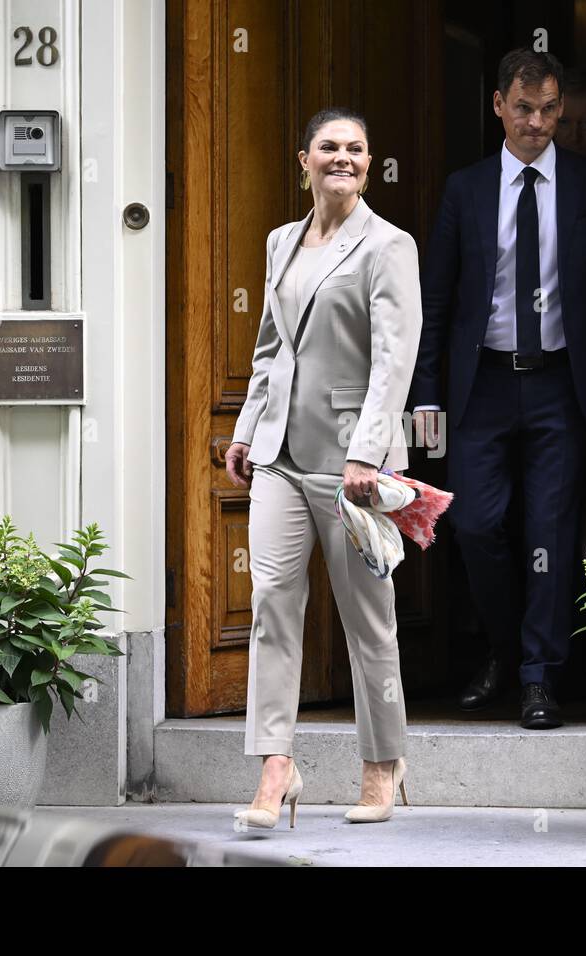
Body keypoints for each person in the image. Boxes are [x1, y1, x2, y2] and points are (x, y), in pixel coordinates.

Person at [410, 49, 586, 729]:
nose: (538, 123)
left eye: (550, 109)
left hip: (561, 388)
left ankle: (539, 676)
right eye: (525, 108)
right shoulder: (465, 190)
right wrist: (425, 401)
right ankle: (508, 650)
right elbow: (437, 301)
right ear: (499, 106)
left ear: (561, 109)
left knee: (552, 535)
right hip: (480, 389)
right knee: (473, 524)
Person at [225, 108, 423, 827]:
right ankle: (277, 764)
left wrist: (368, 451)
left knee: (368, 620)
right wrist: (248, 427)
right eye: (330, 148)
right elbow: (270, 346)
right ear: (303, 158)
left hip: (352, 464)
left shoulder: (389, 246)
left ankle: (382, 762)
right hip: (280, 455)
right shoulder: (282, 241)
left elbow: (395, 358)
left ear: (369, 163)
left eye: (357, 149)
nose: (344, 158)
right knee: (272, 602)